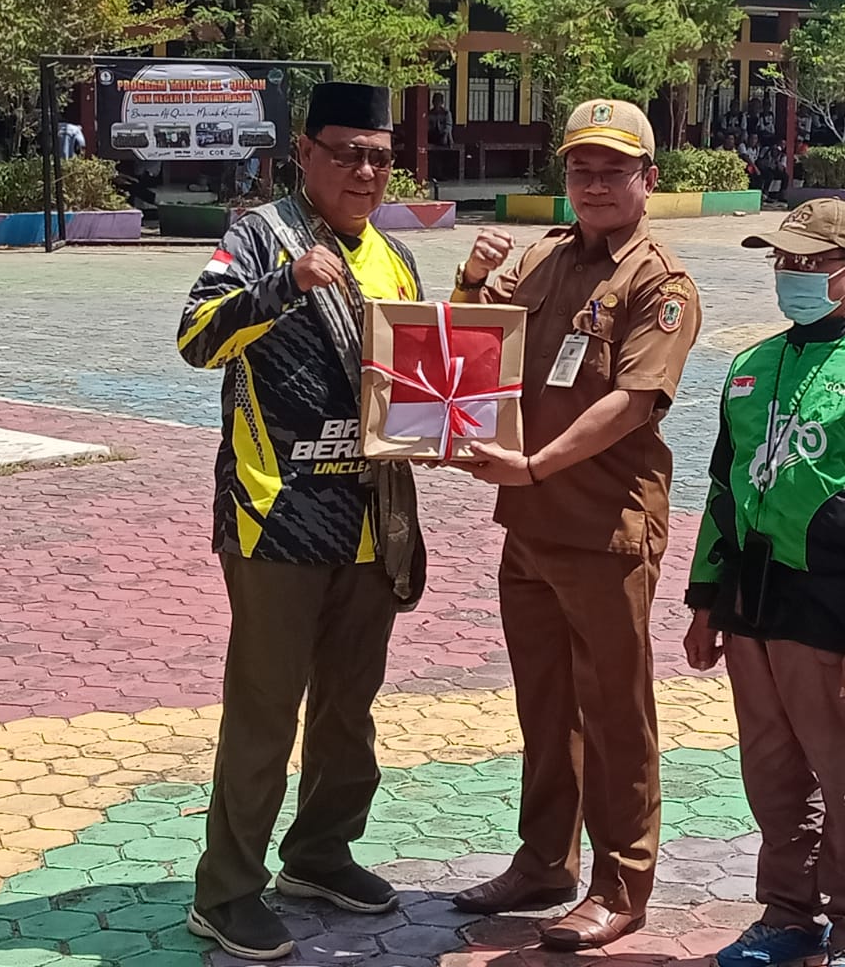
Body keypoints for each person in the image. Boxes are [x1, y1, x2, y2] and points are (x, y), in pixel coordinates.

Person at [177, 82, 428, 960]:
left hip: (371, 518)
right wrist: (284, 284)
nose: (365, 171)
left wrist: (471, 305)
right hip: (275, 513)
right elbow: (196, 336)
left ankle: (321, 852)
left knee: (348, 709)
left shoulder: (395, 256)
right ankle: (227, 890)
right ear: (305, 153)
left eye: (381, 157)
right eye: (347, 153)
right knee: (264, 711)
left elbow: (422, 382)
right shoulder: (259, 234)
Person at [447, 99, 701, 949]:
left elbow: (634, 403)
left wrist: (535, 464)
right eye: (580, 170)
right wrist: (471, 279)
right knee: (546, 703)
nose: (593, 186)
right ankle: (543, 861)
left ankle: (622, 884)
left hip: (603, 527)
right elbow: (477, 339)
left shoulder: (659, 283)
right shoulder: (546, 258)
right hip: (529, 522)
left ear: (647, 181)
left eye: (613, 171)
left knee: (615, 710)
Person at [684, 200, 845, 967]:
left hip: (829, 611)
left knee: (842, 772)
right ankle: (787, 914)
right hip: (751, 604)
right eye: (782, 263)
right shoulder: (750, 365)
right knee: (770, 771)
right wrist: (704, 600)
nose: (791, 277)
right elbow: (725, 488)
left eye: (808, 264)